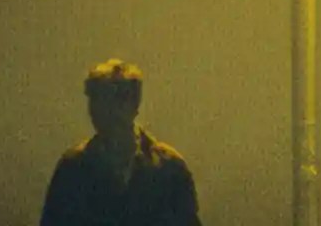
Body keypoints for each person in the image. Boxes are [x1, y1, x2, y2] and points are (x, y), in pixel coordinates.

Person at [40, 59, 202, 226]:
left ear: (134, 104)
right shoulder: (72, 168)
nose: (103, 112)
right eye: (98, 101)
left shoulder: (170, 168)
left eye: (113, 102)